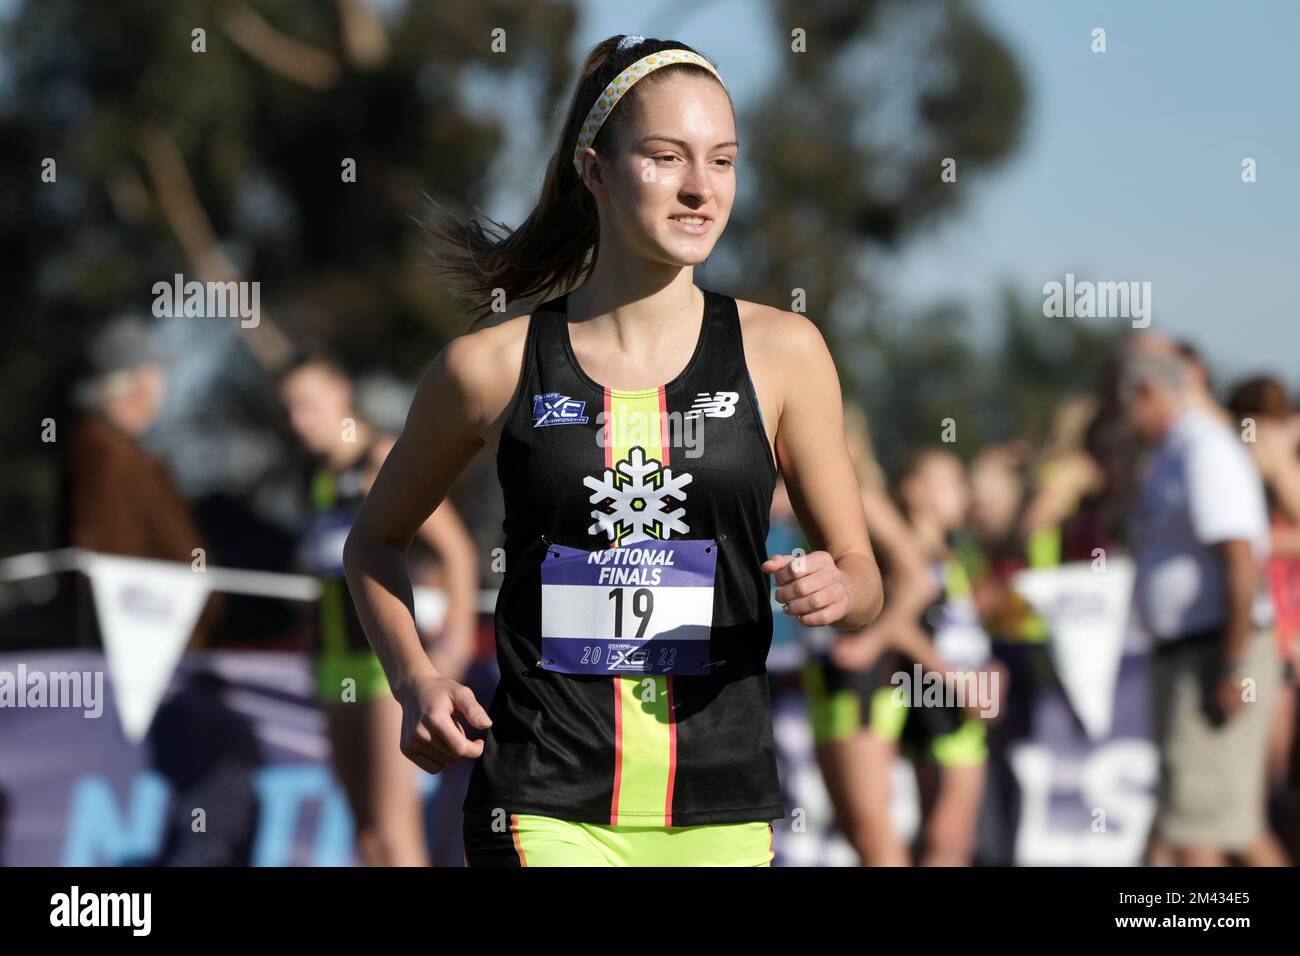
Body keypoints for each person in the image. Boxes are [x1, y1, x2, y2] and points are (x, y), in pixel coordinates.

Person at [343, 33, 884, 867]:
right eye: (667, 158)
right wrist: (413, 678)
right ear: (594, 170)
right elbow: (374, 540)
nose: (701, 188)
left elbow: (866, 577)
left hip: (721, 809)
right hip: (542, 802)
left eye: (724, 161)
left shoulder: (786, 353)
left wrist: (838, 585)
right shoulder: (488, 367)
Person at [279, 348, 479, 867]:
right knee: (365, 833)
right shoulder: (312, 477)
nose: (298, 422)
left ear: (341, 395)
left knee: (394, 831)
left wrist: (455, 641)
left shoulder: (382, 459)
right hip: (331, 662)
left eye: (308, 405)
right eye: (289, 410)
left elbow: (456, 549)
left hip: (384, 665)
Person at [1122, 346, 1288, 866]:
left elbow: (1241, 559)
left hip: (1212, 651)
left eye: (1124, 400)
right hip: (1191, 652)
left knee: (1201, 825)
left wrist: (1233, 665)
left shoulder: (1203, 449)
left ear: (1148, 393)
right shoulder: (1173, 450)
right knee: (1212, 818)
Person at [798, 403, 939, 866]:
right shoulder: (800, 491)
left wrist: (871, 642)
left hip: (866, 680)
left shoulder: (861, 492)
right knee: (858, 832)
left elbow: (920, 578)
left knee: (872, 830)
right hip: (824, 673)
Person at [64, 315, 219, 647]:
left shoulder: (120, 451)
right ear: (140, 382)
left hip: (158, 642)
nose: (161, 388)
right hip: (146, 648)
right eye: (157, 377)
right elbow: (113, 555)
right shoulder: (106, 453)